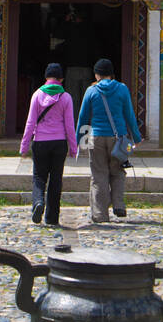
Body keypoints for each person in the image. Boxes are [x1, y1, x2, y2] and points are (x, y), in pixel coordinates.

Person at [76, 58, 141, 224]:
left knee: (99, 175)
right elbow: (129, 115)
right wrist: (136, 136)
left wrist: (78, 140)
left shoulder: (91, 91)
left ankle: (100, 214)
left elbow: (83, 117)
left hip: (96, 137)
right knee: (118, 171)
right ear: (112, 74)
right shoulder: (122, 89)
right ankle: (119, 205)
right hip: (118, 138)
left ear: (96, 74)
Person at [20, 62, 77, 227]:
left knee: (39, 177)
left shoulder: (37, 95)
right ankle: (52, 217)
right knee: (56, 179)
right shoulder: (66, 97)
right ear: (61, 79)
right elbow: (69, 125)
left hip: (40, 142)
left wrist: (24, 146)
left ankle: (38, 202)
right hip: (59, 143)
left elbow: (30, 123)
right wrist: (73, 148)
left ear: (46, 78)